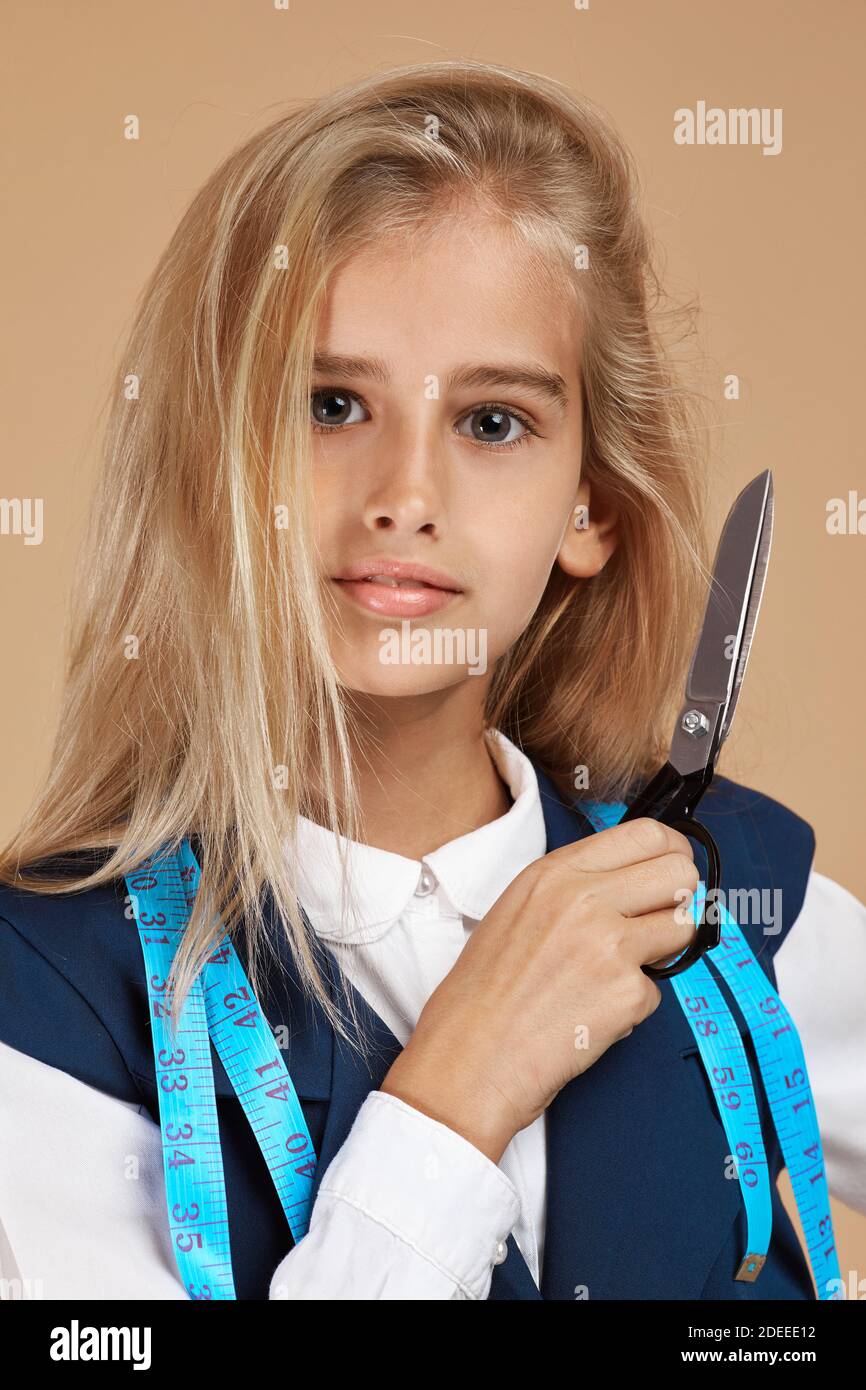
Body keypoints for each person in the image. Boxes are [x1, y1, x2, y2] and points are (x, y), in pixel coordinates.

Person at [1, 59, 864, 1302]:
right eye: (329, 403)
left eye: (492, 422)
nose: (405, 495)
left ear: (592, 507)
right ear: (209, 475)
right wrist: (452, 1098)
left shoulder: (736, 901)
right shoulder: (46, 990)